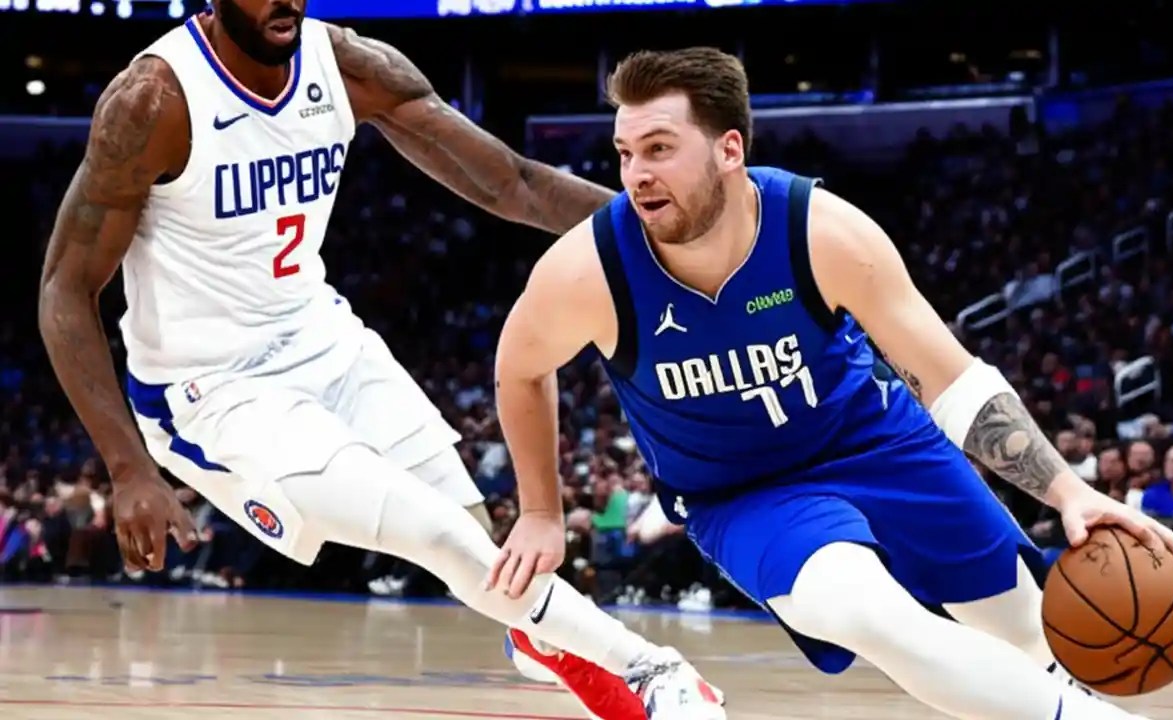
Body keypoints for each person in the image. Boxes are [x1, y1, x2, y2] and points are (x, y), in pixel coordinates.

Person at [36, 4, 725, 718]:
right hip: (211, 388)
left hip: (322, 338)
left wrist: (661, 245)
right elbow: (64, 288)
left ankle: (537, 635)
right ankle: (653, 673)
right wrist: (128, 468)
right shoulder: (154, 100)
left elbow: (512, 182)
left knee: (485, 544)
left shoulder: (345, 64)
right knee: (438, 536)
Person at [489, 47, 1173, 720]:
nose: (636, 173)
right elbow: (519, 370)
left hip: (879, 443)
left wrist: (1069, 492)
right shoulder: (588, 270)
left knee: (1028, 633)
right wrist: (542, 512)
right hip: (744, 494)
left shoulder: (821, 231)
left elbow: (950, 379)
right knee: (869, 613)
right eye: (625, 154)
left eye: (660, 149)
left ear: (729, 150)